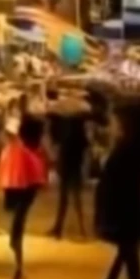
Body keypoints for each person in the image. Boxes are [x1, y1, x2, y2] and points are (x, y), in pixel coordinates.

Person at [93, 104, 140, 279]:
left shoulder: (128, 147)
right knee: (128, 257)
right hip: (131, 211)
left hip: (125, 211)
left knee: (126, 257)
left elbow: (112, 182)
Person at [0, 114, 47, 279]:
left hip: (15, 188)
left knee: (17, 224)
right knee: (18, 223)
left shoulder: (14, 150)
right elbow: (38, 176)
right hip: (25, 189)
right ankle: (18, 264)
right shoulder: (27, 152)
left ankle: (18, 264)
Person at [47, 96, 89, 239]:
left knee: (63, 199)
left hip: (66, 167)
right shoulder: (82, 135)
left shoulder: (66, 133)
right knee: (77, 199)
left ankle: (58, 229)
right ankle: (82, 230)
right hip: (76, 168)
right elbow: (85, 152)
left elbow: (61, 150)